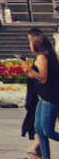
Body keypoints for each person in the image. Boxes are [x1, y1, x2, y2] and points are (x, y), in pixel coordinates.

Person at [29, 28, 59, 159]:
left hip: (50, 97)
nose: (29, 45)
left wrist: (28, 69)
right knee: (39, 129)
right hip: (43, 97)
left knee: (48, 131)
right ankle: (46, 157)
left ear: (35, 45)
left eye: (30, 41)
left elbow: (43, 78)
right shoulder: (49, 55)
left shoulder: (42, 57)